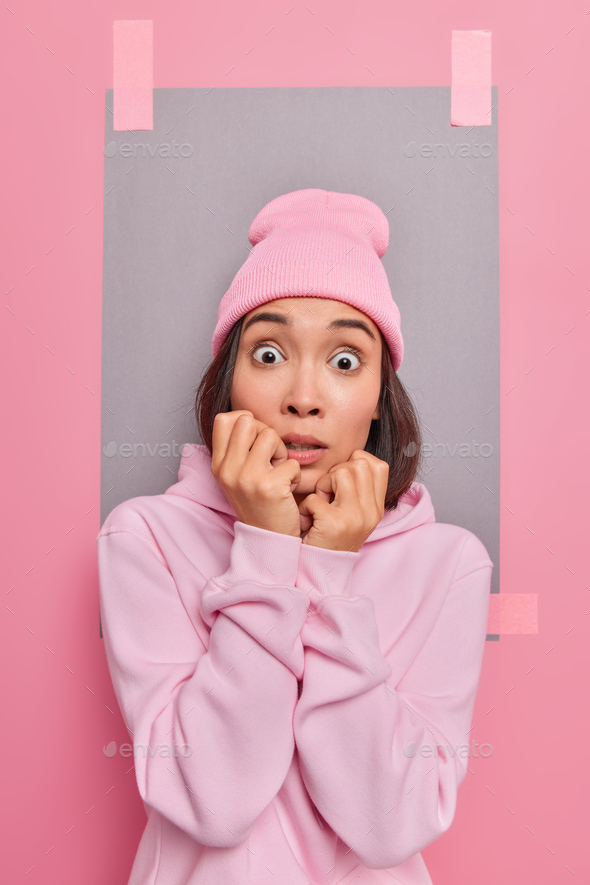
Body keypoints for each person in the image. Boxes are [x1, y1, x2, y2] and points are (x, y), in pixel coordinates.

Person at [97, 188, 494, 885]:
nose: (303, 396)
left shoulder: (450, 564)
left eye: (345, 361)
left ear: (378, 395)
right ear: (228, 382)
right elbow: (211, 799)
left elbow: (390, 823)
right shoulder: (145, 537)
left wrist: (331, 572)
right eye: (271, 353)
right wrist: (264, 548)